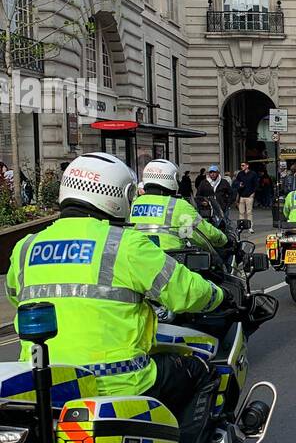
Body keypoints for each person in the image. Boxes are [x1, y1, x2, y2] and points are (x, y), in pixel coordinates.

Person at [6, 152, 229, 413]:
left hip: (48, 382)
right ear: (117, 195)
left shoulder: (26, 247)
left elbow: (15, 295)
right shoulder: (123, 244)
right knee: (201, 370)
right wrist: (220, 295)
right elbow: (187, 293)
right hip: (119, 381)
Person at [128, 158, 229, 257]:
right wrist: (225, 240)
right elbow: (204, 233)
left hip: (139, 259)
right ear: (171, 179)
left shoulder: (135, 203)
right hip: (170, 262)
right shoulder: (177, 205)